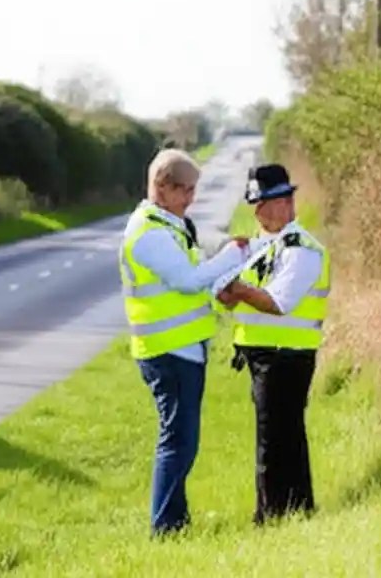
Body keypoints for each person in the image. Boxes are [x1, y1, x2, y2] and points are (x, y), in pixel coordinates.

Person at [119, 148, 250, 537]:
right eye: (185, 191)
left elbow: (193, 288)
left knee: (182, 443)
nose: (191, 198)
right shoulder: (149, 233)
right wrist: (231, 255)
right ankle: (166, 527)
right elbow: (188, 280)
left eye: (194, 190)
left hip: (183, 348)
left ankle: (175, 522)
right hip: (168, 352)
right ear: (161, 186)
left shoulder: (169, 225)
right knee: (178, 443)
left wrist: (218, 294)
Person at [217, 163, 331, 526]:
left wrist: (239, 289)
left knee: (274, 440)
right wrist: (229, 288)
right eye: (255, 205)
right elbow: (235, 296)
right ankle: (297, 507)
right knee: (285, 436)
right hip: (266, 355)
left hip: (286, 356)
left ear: (284, 202)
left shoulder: (302, 251)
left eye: (264, 204)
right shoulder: (268, 247)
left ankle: (271, 515)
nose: (258, 212)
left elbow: (277, 302)